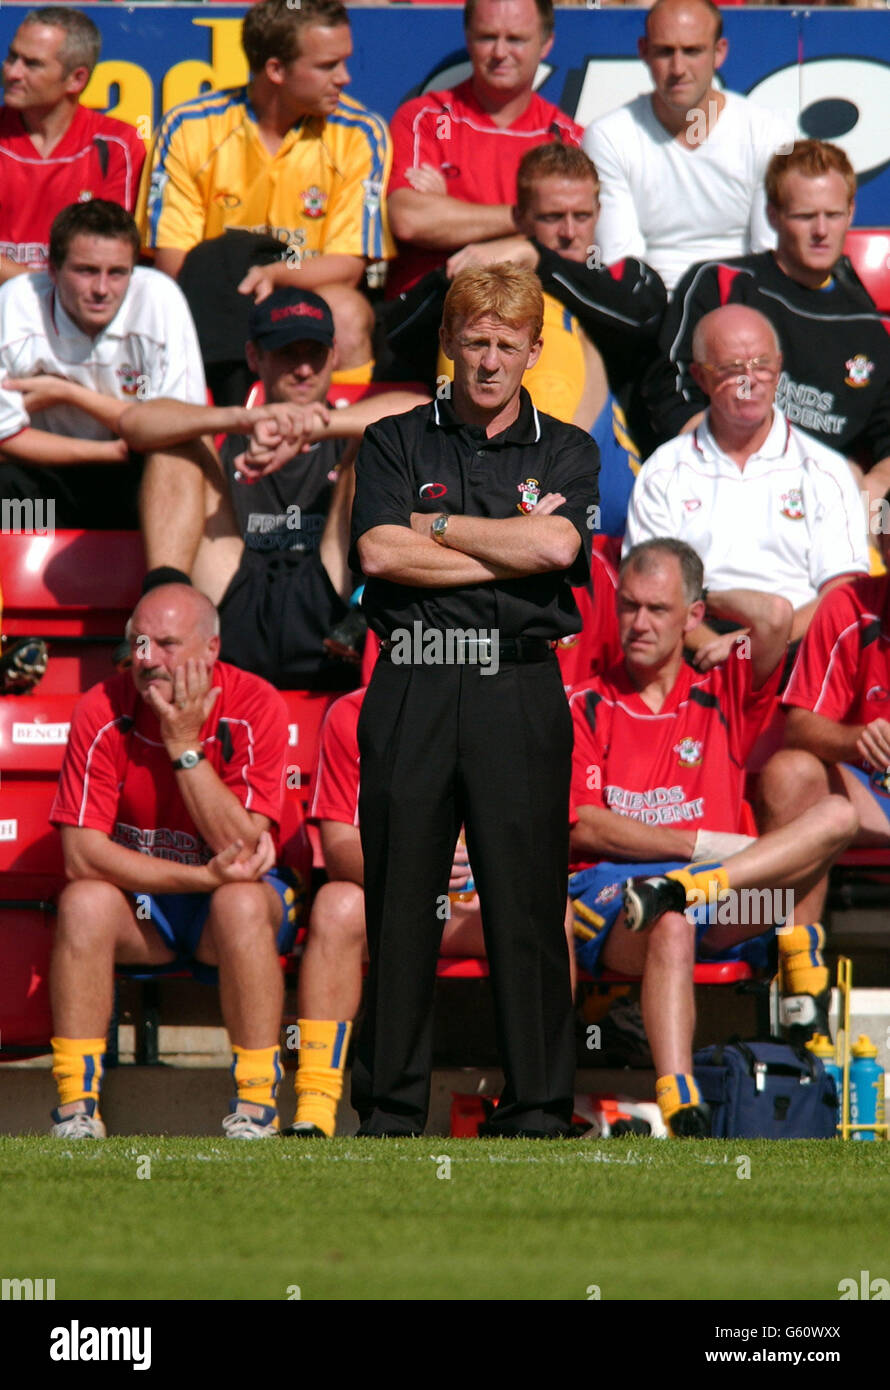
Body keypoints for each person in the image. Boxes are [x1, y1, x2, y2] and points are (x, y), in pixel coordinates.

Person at [349, 262, 599, 1137]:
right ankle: (388, 1109)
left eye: (507, 344)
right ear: (449, 343)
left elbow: (560, 545)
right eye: (475, 342)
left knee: (525, 901)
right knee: (401, 898)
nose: (490, 361)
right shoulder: (392, 440)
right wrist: (510, 553)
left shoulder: (567, 447)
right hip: (412, 676)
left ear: (534, 350)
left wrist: (440, 530)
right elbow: (379, 556)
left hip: (518, 685)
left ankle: (536, 1107)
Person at [568, 539, 857, 1135]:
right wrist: (697, 846)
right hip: (613, 897)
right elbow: (584, 824)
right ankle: (681, 1103)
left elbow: (775, 617)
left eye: (659, 608)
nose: (638, 623)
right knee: (669, 917)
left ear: (693, 617)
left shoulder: (723, 688)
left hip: (724, 895)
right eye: (628, 607)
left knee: (838, 817)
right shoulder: (586, 703)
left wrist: (715, 606)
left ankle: (800, 972)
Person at [48, 584, 301, 1140]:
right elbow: (80, 856)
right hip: (147, 909)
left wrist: (184, 748)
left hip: (232, 905)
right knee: (83, 902)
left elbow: (247, 852)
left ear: (211, 649)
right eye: (138, 643)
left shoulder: (255, 702)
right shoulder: (102, 705)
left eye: (165, 644)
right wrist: (198, 876)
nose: (146, 659)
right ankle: (76, 1109)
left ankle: (257, 1106)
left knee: (237, 900)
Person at [285, 684, 578, 1137]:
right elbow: (339, 846)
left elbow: (555, 839)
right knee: (335, 904)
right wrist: (415, 870)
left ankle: (532, 1105)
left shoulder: (517, 698)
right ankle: (315, 1106)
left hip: (480, 907)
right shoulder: (354, 711)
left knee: (553, 912)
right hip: (397, 901)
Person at [118, 287, 428, 687]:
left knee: (379, 440)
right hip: (234, 593)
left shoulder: (350, 430)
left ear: (334, 356)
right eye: (287, 353)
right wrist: (243, 420)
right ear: (254, 357)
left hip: (330, 597)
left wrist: (312, 425)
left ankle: (364, 605)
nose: (303, 370)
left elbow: (422, 411)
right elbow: (135, 424)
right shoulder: (231, 433)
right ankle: (162, 606)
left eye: (314, 354)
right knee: (176, 443)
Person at [642, 140, 890, 508]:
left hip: (824, 507)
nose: (820, 230)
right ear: (773, 215)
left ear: (852, 211)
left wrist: (868, 491)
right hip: (717, 483)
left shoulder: (872, 326)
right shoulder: (721, 283)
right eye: (805, 216)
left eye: (833, 214)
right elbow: (669, 389)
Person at [436, 141, 667, 525]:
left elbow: (640, 318)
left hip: (620, 497)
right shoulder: (477, 286)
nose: (569, 232)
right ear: (520, 220)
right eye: (551, 217)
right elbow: (398, 330)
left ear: (599, 213)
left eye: (582, 215)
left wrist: (539, 260)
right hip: (485, 483)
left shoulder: (629, 281)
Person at [625, 305, 869, 659]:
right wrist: (713, 647)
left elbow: (842, 588)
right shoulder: (664, 470)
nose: (749, 380)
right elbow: (647, 588)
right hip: (696, 647)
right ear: (700, 377)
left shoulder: (824, 469)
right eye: (731, 369)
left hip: (799, 648)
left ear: (780, 366)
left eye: (762, 365)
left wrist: (752, 649)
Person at [137, 0, 392, 332]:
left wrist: (274, 276)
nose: (344, 78)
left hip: (306, 302)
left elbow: (347, 266)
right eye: (328, 65)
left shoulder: (360, 133)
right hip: (214, 300)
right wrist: (242, 290)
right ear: (275, 70)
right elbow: (174, 262)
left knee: (347, 312)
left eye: (344, 61)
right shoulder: (188, 127)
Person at [758, 513, 890, 1037]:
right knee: (790, 773)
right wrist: (857, 738)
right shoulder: (850, 605)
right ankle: (802, 981)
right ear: (883, 540)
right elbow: (802, 727)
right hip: (870, 797)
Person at [0, 198, 205, 530]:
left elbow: (178, 426)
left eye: (117, 273)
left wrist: (68, 393)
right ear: (51, 269)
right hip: (38, 479)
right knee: (9, 499)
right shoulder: (15, 304)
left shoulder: (159, 300)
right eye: (86, 271)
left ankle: (167, 580)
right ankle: (13, 579)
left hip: (131, 479)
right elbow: (4, 436)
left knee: (178, 467)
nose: (101, 289)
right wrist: (113, 451)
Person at [582, 0, 791, 293]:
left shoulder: (768, 133)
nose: (678, 68)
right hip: (651, 314)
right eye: (665, 52)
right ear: (643, 51)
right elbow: (622, 266)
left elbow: (769, 257)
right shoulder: (608, 137)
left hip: (744, 308)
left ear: (719, 52)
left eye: (692, 51)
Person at [385, 0, 581, 301]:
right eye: (487, 37)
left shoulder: (569, 138)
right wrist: (533, 220)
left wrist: (450, 212)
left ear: (546, 44)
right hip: (431, 309)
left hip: (531, 311)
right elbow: (410, 219)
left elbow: (574, 242)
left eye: (515, 39)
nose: (500, 53)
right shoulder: (426, 117)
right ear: (468, 38)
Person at [0, 7, 145, 284]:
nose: (12, 72)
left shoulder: (116, 145)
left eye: (32, 64)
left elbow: (112, 255)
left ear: (76, 79)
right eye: (11, 57)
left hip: (78, 313)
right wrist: (42, 286)